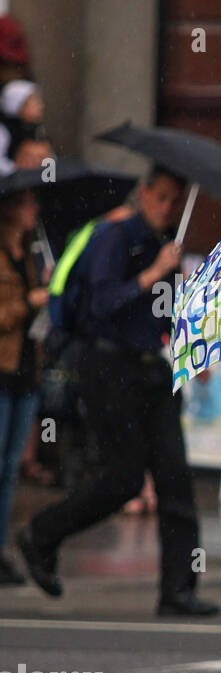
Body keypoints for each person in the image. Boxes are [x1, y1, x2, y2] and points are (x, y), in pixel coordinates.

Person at [18, 168, 220, 615]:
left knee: (175, 480)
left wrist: (189, 346)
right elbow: (103, 303)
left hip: (151, 368)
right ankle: (41, 534)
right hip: (107, 367)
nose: (168, 208)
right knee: (121, 479)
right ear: (144, 193)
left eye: (175, 200)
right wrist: (154, 272)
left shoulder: (164, 246)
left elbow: (157, 315)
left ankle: (178, 591)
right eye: (162, 197)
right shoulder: (114, 237)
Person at [0, 188, 44, 584]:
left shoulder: (30, 255)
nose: (35, 209)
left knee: (11, 468)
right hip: (2, 370)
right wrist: (28, 301)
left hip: (26, 372)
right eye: (28, 201)